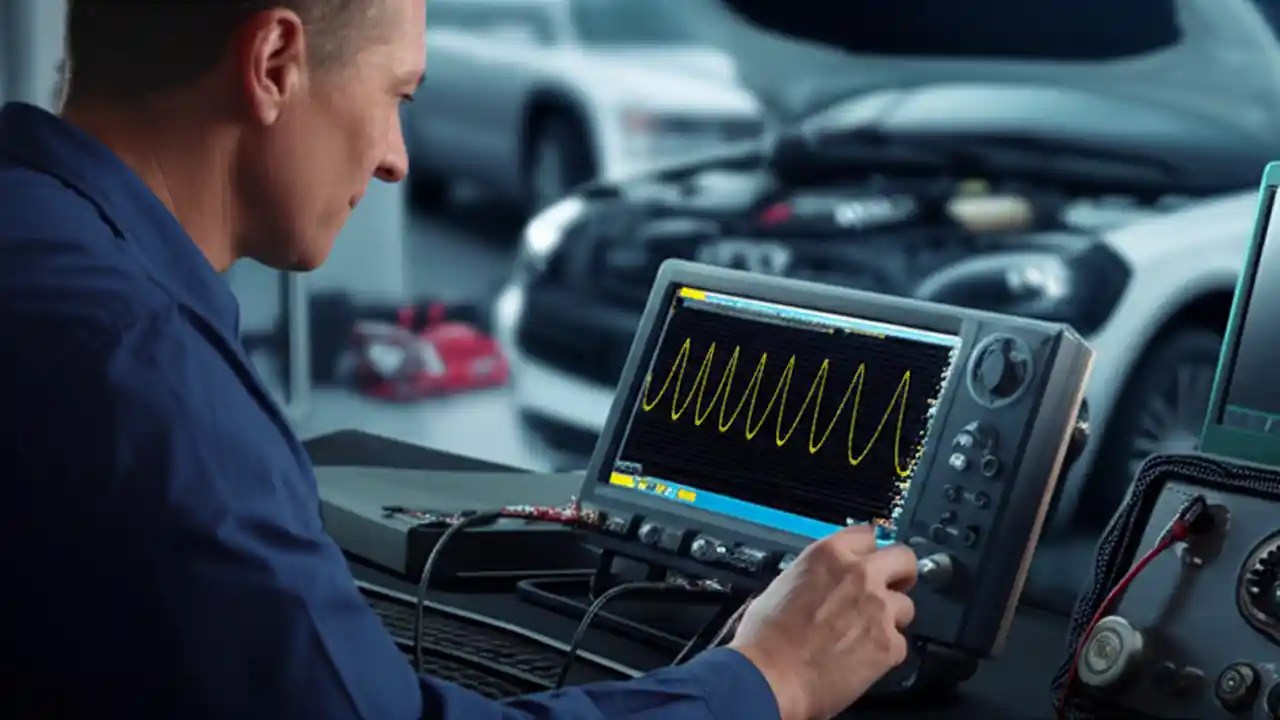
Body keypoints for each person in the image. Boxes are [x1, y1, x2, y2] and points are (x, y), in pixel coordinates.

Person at [0, 1, 919, 718]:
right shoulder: (143, 373)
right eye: (398, 95)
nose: (398, 159)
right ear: (274, 63)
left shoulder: (40, 241)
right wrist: (772, 677)